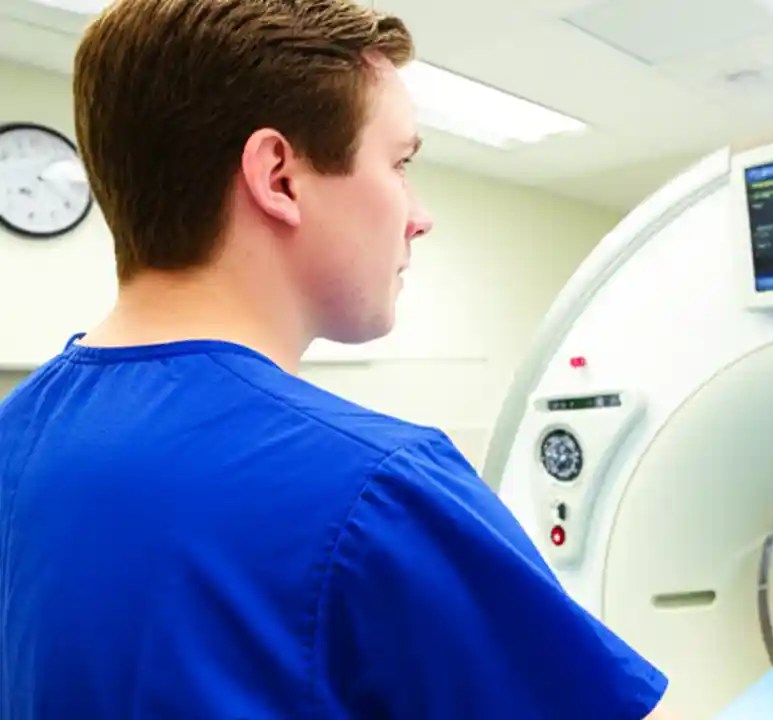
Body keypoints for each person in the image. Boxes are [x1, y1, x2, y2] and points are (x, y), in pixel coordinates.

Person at [0, 0, 672, 717]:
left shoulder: (17, 440)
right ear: (279, 177)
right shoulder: (376, 487)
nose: (419, 215)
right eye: (400, 163)